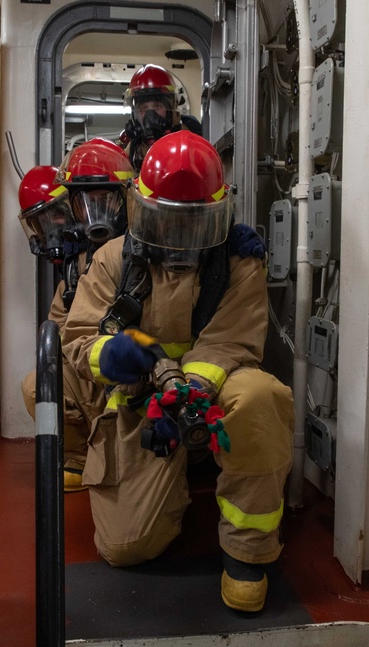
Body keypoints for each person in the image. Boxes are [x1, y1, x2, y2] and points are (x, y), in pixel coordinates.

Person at [62, 131, 293, 613]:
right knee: (126, 549)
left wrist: (188, 391)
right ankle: (175, 481)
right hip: (137, 400)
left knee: (259, 396)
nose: (179, 238)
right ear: (142, 208)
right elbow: (78, 339)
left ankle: (247, 551)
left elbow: (230, 341)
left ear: (221, 214)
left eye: (195, 224)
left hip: (209, 392)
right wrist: (111, 356)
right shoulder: (111, 260)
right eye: (167, 222)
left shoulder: (238, 261)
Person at [16, 164, 107, 492]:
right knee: (37, 384)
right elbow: (59, 335)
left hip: (124, 377)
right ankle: (78, 456)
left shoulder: (109, 255)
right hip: (92, 371)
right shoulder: (71, 273)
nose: (47, 232)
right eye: (38, 225)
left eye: (51, 218)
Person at [119, 64, 203, 171]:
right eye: (143, 108)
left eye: (157, 106)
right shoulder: (131, 152)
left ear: (172, 107)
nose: (150, 115)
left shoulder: (191, 146)